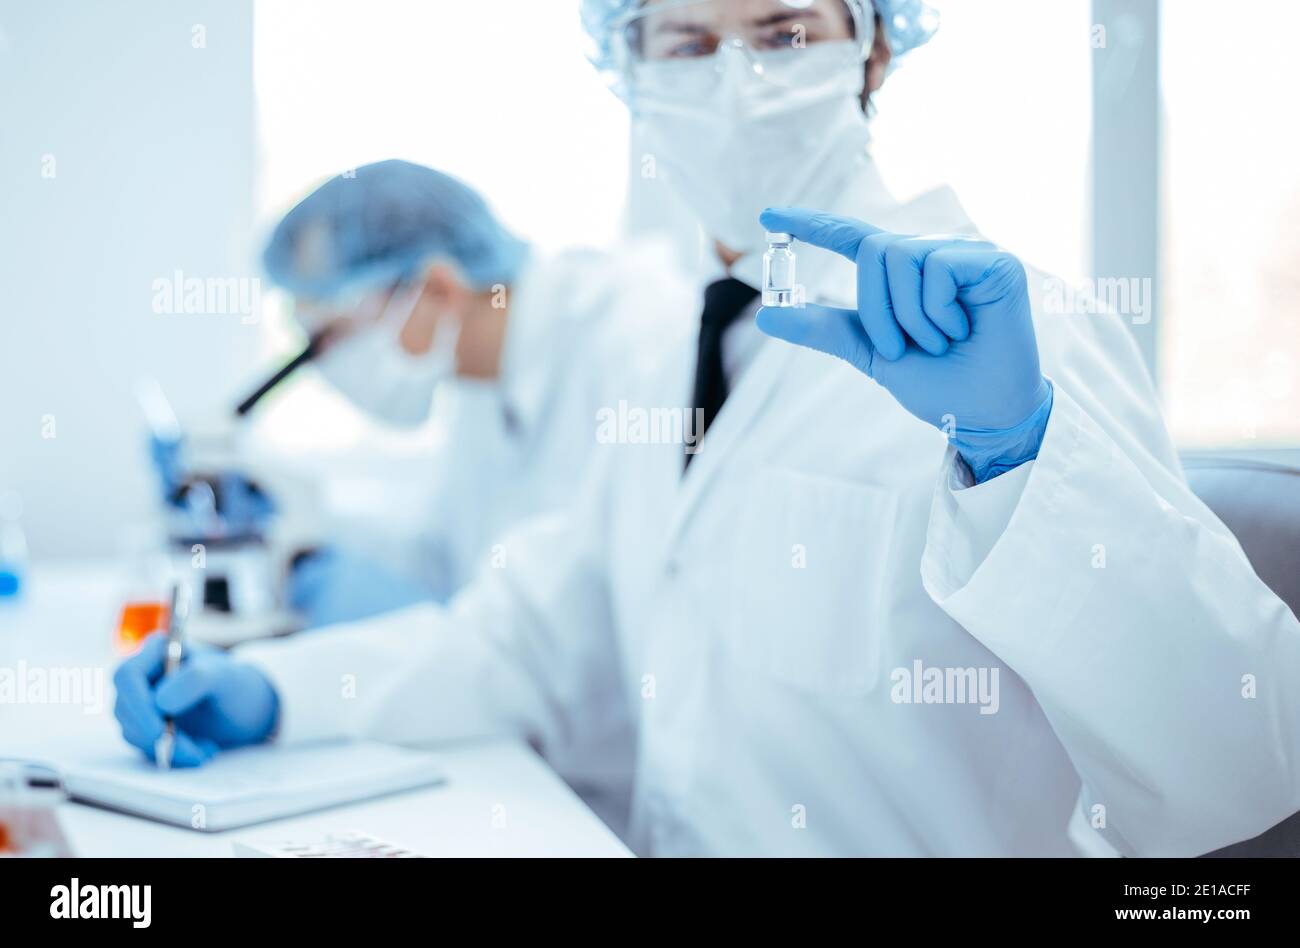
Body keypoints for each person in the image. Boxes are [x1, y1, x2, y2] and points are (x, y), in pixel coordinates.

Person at [114, 1, 1300, 857]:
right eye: (683, 40)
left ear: (875, 47)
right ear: (624, 68)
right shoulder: (662, 352)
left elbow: (1224, 768)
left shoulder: (1026, 331)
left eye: (784, 30)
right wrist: (279, 695)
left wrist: (1019, 456)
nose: (732, 77)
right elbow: (533, 640)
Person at [259, 159, 694, 621]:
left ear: (440, 289)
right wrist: (303, 514)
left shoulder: (636, 345)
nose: (329, 369)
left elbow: (596, 605)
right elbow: (446, 555)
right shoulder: (479, 384)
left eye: (334, 336)